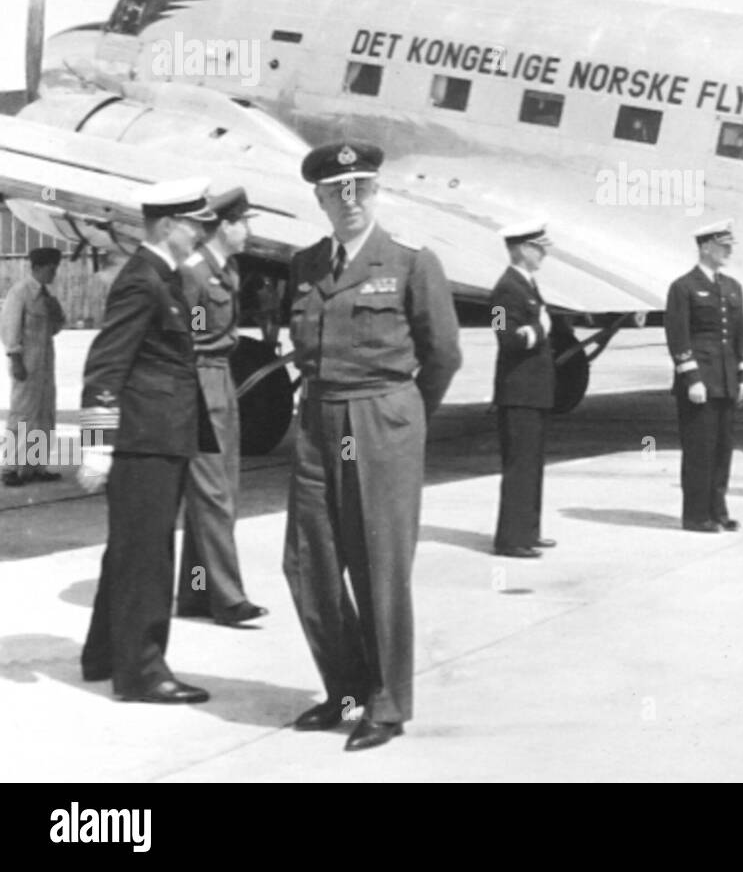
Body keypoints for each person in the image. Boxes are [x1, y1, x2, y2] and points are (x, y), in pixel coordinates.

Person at [283, 142, 461, 752]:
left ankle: (387, 704)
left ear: (376, 192)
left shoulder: (412, 262)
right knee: (307, 562)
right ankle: (347, 689)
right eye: (337, 191)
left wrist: (403, 419)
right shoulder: (305, 264)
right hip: (317, 420)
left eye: (359, 187)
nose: (349, 200)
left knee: (379, 564)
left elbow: (443, 355)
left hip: (381, 419)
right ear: (320, 199)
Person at [78, 180, 219, 704]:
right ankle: (142, 674)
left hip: (157, 436)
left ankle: (103, 654)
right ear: (168, 225)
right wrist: (96, 445)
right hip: (144, 441)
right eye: (194, 225)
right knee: (148, 556)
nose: (201, 233)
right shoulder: (144, 280)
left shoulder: (163, 277)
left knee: (129, 550)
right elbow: (105, 365)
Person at [175, 187, 268, 626]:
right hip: (199, 382)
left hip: (222, 380)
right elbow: (186, 339)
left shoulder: (225, 270)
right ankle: (229, 598)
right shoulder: (193, 274)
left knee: (219, 490)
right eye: (243, 222)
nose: (248, 230)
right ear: (224, 226)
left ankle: (196, 593)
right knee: (213, 494)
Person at [664, 219, 743, 532]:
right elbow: (678, 336)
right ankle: (696, 515)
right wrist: (692, 378)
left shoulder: (732, 287)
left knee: (721, 451)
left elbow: (741, 334)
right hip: (701, 382)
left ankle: (718, 510)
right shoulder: (684, 287)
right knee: (699, 452)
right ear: (705, 247)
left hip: (726, 380)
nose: (728, 251)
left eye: (729, 245)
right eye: (722, 246)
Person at [490, 221, 556, 558]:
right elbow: (505, 337)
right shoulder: (505, 290)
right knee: (519, 466)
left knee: (531, 465)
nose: (544, 253)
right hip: (518, 393)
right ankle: (511, 539)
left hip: (533, 392)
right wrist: (539, 329)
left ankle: (528, 531)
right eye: (539, 247)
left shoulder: (527, 284)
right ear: (522, 249)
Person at [2, 246, 66, 486]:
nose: (54, 273)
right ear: (37, 267)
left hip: (46, 367)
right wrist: (15, 359)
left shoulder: (48, 296)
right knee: (22, 416)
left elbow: (54, 330)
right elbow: (10, 329)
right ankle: (10, 468)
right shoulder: (20, 293)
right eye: (51, 269)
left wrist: (57, 314)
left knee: (43, 415)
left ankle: (35, 466)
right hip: (26, 366)